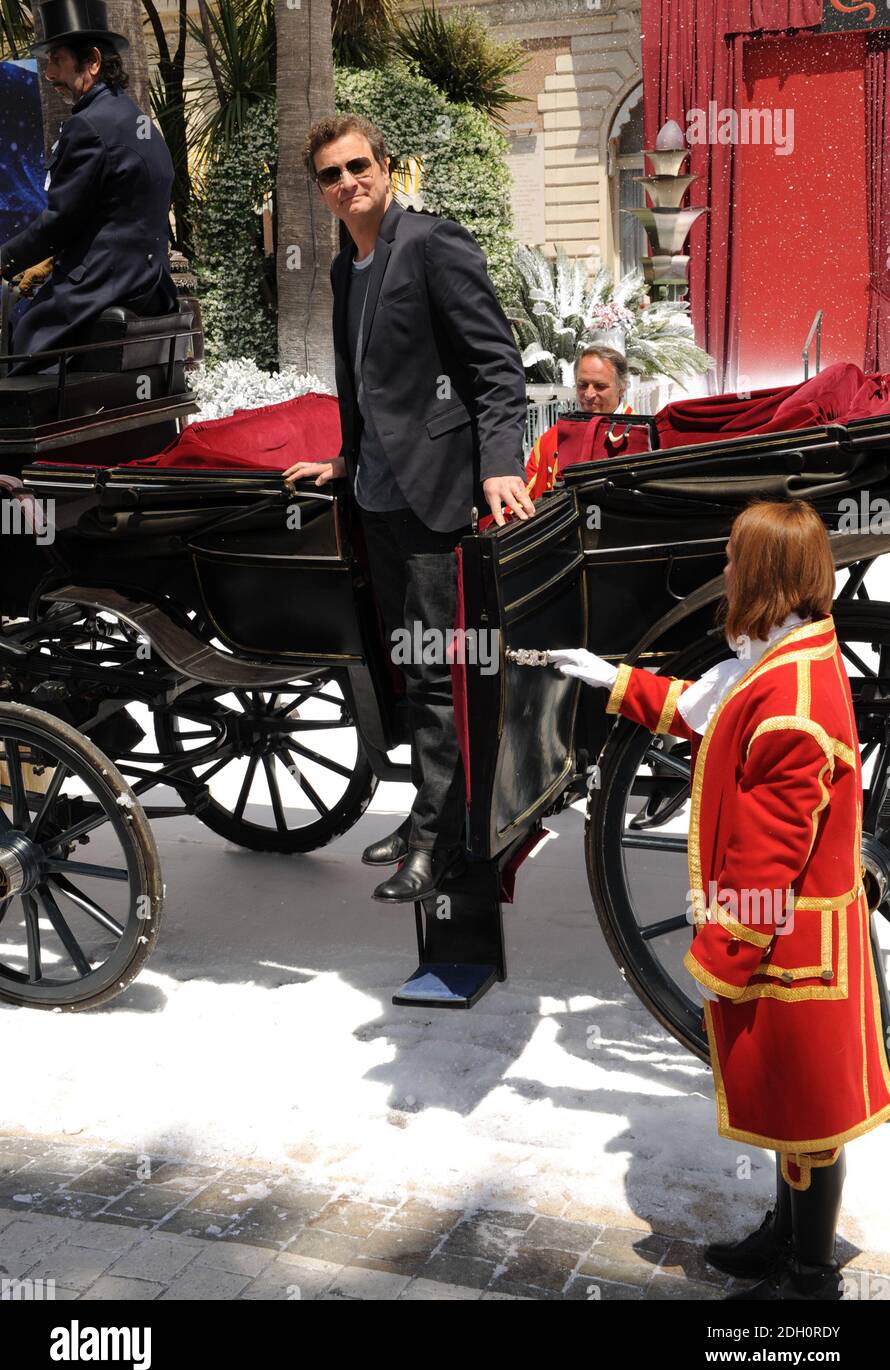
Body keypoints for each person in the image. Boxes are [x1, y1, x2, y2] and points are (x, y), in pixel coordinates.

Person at [548, 499, 890, 1301]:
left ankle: (809, 1277)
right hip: (798, 939)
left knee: (806, 1119)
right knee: (787, 1107)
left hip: (793, 945)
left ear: (765, 575)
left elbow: (770, 854)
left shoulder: (793, 699)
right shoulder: (785, 659)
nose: (726, 572)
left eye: (737, 561)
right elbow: (711, 714)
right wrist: (615, 682)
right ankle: (786, 1239)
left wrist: (724, 954)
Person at [283, 113, 534, 905]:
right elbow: (361, 384)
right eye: (331, 175)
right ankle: (429, 813)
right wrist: (346, 456)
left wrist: (497, 465)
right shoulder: (342, 269)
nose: (348, 183)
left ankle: (437, 839)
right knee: (408, 664)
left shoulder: (431, 243)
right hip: (376, 496)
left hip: (436, 494)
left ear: (387, 168)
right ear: (319, 190)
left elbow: (496, 367)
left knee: (435, 672)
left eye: (359, 167)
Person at [0, 0, 178, 374]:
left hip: (106, 285)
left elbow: (60, 221)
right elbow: (110, 215)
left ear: (93, 62)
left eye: (57, 62)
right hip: (149, 284)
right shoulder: (135, 119)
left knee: (20, 344)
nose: (48, 75)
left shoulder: (88, 126)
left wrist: (5, 260)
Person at [524, 346, 634, 503]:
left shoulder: (642, 439)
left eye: (600, 386)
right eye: (582, 385)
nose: (588, 395)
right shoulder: (550, 440)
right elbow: (526, 496)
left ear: (621, 389)